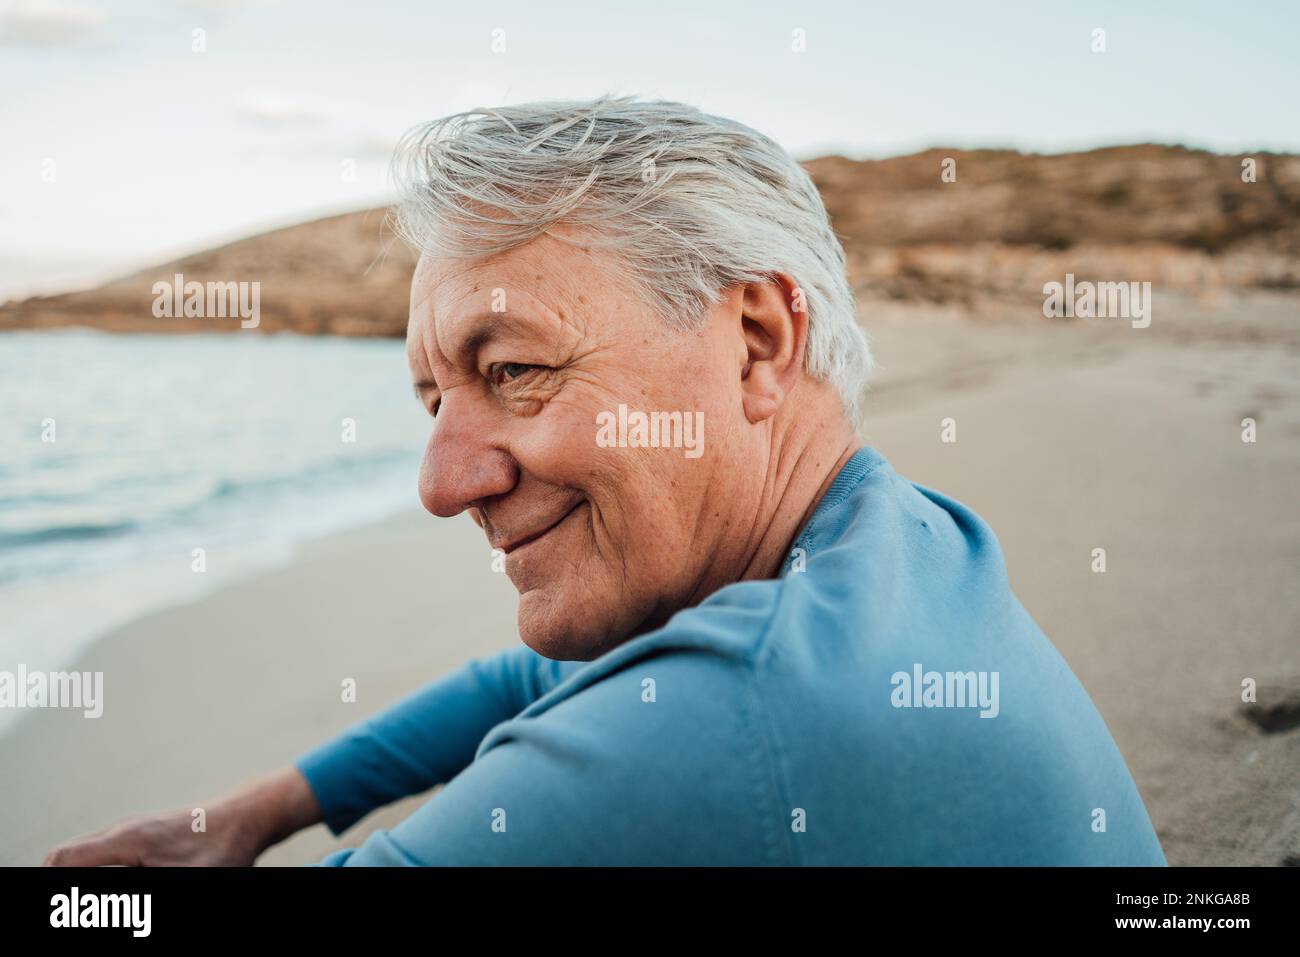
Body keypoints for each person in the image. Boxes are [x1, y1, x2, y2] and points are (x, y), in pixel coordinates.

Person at [45, 97, 1166, 866]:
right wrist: (251, 815)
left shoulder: (742, 714)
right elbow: (523, 685)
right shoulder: (886, 540)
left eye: (515, 370)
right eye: (436, 399)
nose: (444, 485)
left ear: (757, 342)